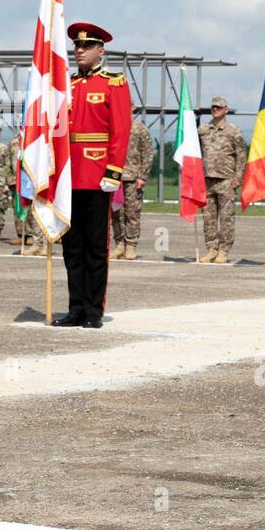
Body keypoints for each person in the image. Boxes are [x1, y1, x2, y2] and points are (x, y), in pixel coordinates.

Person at [52, 23, 131, 328]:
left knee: (96, 246)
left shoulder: (114, 83)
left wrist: (114, 170)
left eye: (86, 47)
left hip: (98, 173)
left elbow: (120, 130)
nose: (80, 51)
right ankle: (75, 307)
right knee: (72, 246)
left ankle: (93, 309)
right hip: (69, 176)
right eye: (76, 47)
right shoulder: (67, 85)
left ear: (101, 51)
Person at [196, 96, 245, 264]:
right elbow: (196, 153)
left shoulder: (233, 131)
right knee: (208, 218)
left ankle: (223, 250)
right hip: (207, 179)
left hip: (226, 180)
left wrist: (238, 177)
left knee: (226, 218)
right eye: (213, 107)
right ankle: (211, 249)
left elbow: (241, 155)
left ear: (226, 109)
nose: (215, 109)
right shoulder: (203, 130)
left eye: (218, 107)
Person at [110, 110, 155, 261]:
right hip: (114, 176)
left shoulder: (139, 128)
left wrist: (142, 176)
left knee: (132, 214)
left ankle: (131, 245)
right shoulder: (112, 126)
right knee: (116, 214)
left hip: (133, 177)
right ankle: (119, 244)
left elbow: (148, 153)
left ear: (132, 108)